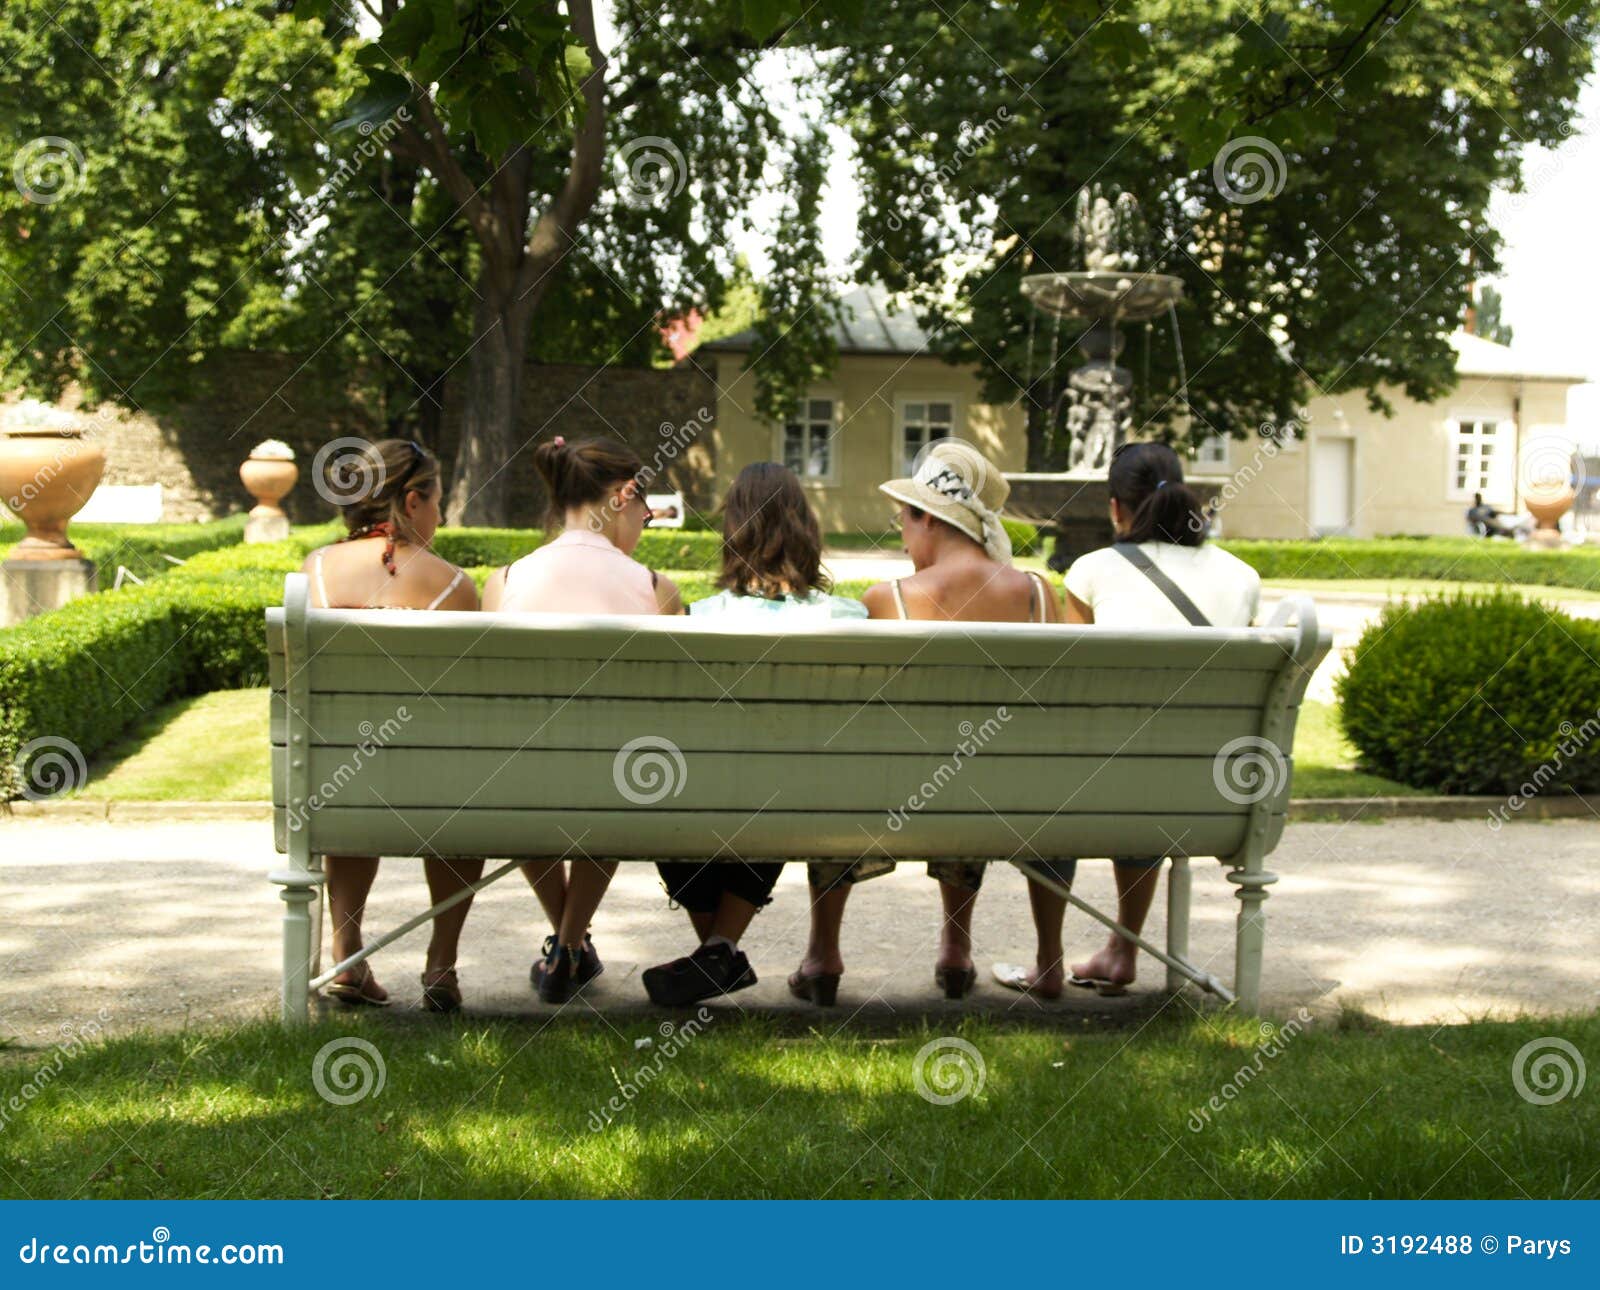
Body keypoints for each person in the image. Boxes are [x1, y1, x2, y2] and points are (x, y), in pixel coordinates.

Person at [790, 439, 1060, 1007]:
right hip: (1012, 798)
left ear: (927, 518)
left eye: (903, 520)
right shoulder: (1037, 593)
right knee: (978, 761)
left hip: (895, 798)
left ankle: (821, 954)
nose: (900, 534)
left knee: (842, 767)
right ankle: (958, 949)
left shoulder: (886, 598)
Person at [992, 441, 1260, 999]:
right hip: (1212, 796)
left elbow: (1070, 693)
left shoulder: (1091, 571)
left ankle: (1048, 961)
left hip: (1104, 788)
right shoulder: (1243, 577)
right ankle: (1123, 950)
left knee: (1061, 778)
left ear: (1115, 508)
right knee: (1152, 764)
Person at [641, 463, 868, 1007]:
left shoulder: (697, 617)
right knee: (787, 780)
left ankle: (717, 950)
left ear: (733, 531)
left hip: (715, 795)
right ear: (806, 528)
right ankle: (718, 950)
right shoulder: (850, 617)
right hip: (810, 800)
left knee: (666, 791)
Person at [491, 435, 682, 1004]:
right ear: (624, 496)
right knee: (624, 762)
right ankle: (570, 946)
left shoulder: (505, 581)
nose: (647, 521)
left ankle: (567, 948)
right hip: (624, 780)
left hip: (518, 777)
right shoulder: (655, 589)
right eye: (645, 509)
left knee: (521, 773)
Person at [299, 438, 483, 1013]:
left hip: (338, 781)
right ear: (410, 499)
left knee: (355, 773)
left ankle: (347, 950)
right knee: (459, 786)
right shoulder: (454, 585)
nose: (441, 515)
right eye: (437, 500)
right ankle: (441, 962)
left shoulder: (316, 571)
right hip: (438, 784)